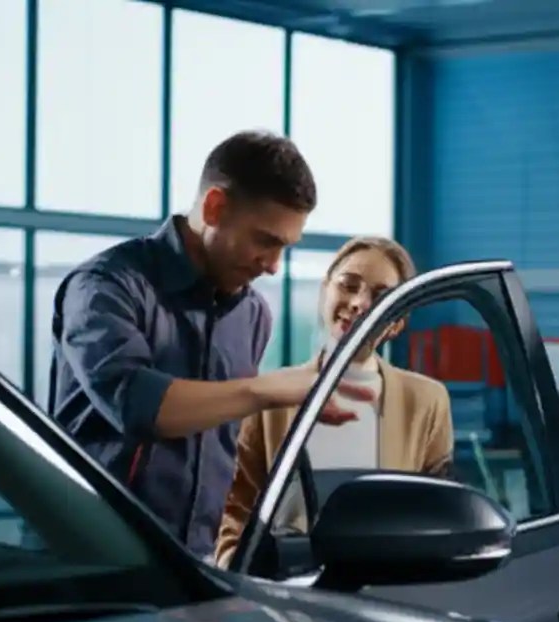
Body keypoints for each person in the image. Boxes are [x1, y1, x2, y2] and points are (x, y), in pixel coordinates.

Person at [49, 130, 372, 559]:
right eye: (265, 241)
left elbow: (224, 440)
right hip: (95, 561)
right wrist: (269, 390)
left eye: (285, 248)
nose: (274, 267)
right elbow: (140, 406)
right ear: (215, 207)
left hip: (200, 565)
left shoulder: (253, 314)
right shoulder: (105, 287)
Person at [213, 236, 454, 569]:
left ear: (398, 322)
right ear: (325, 290)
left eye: (382, 298)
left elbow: (436, 514)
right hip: (287, 591)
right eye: (348, 285)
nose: (359, 303)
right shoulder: (271, 394)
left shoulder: (427, 401)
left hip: (388, 589)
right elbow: (237, 508)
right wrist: (235, 571)